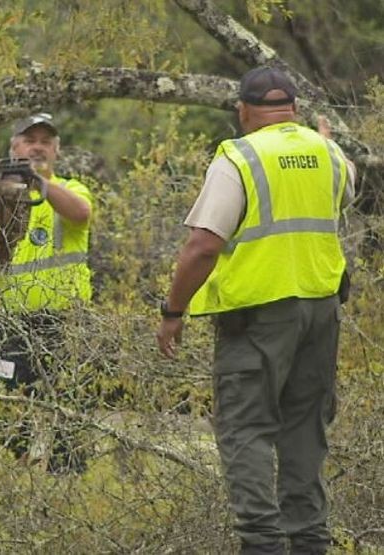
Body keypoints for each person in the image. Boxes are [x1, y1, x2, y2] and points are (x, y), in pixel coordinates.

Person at [156, 67, 355, 555]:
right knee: (304, 429)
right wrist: (325, 141)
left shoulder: (239, 156)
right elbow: (344, 190)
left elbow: (203, 246)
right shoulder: (328, 152)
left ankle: (261, 544)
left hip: (258, 319)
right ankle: (310, 543)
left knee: (246, 430)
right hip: (320, 313)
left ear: (242, 110)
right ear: (294, 110)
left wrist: (172, 311)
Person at [0, 113, 94, 467]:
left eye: (45, 141)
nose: (37, 146)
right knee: (5, 417)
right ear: (13, 147)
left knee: (71, 418)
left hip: (66, 324)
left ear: (56, 150)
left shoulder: (72, 189)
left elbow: (80, 214)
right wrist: (3, 238)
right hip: (9, 325)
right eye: (29, 139)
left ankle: (69, 486)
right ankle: (10, 487)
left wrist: (37, 182)